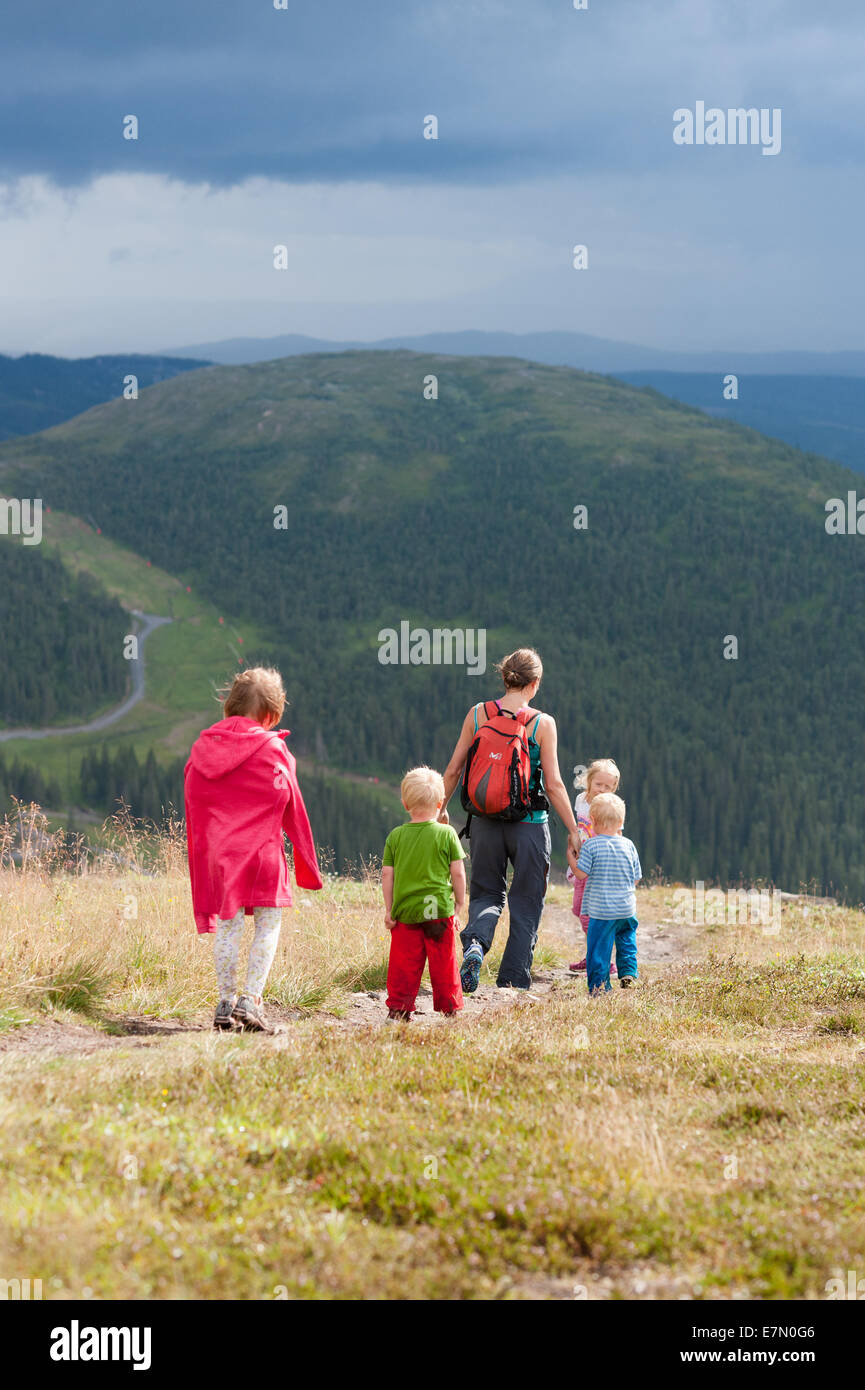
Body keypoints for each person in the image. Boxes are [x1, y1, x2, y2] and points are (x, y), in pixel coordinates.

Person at [184, 666, 322, 1033]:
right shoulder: (274, 749)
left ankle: (225, 1002)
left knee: (228, 926)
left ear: (229, 706)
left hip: (222, 856)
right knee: (267, 925)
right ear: (272, 715)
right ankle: (252, 1000)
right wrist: (307, 862)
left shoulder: (202, 750)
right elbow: (292, 803)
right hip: (263, 855)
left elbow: (195, 799)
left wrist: (208, 847)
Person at [439, 647, 581, 993]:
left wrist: (437, 808)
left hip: (485, 822)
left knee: (487, 892)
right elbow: (555, 783)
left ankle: (475, 944)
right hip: (530, 825)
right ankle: (513, 981)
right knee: (527, 899)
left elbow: (455, 768)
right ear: (535, 684)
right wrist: (575, 830)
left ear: (504, 678)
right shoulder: (541, 723)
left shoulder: (478, 714)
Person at [381, 767, 466, 1022]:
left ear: (405, 803)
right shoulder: (447, 833)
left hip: (406, 912)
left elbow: (387, 875)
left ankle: (398, 1008)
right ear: (440, 804)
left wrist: (389, 909)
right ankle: (450, 1009)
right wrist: (459, 904)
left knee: (403, 964)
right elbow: (459, 873)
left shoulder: (396, 836)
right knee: (444, 963)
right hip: (438, 911)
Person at [568, 791, 641, 995]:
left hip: (602, 911)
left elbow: (581, 874)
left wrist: (570, 857)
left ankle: (599, 986)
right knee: (626, 939)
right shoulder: (629, 845)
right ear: (621, 821)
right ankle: (628, 972)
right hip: (627, 908)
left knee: (599, 948)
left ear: (592, 821)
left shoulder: (591, 845)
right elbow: (636, 878)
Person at [567, 758, 621, 974]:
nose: (602, 790)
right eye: (599, 784)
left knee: (590, 915)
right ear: (589, 781)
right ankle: (594, 955)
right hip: (582, 861)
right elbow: (576, 825)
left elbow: (618, 834)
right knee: (579, 910)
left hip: (599, 867)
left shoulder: (612, 807)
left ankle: (602, 960)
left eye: (608, 787)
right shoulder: (581, 800)